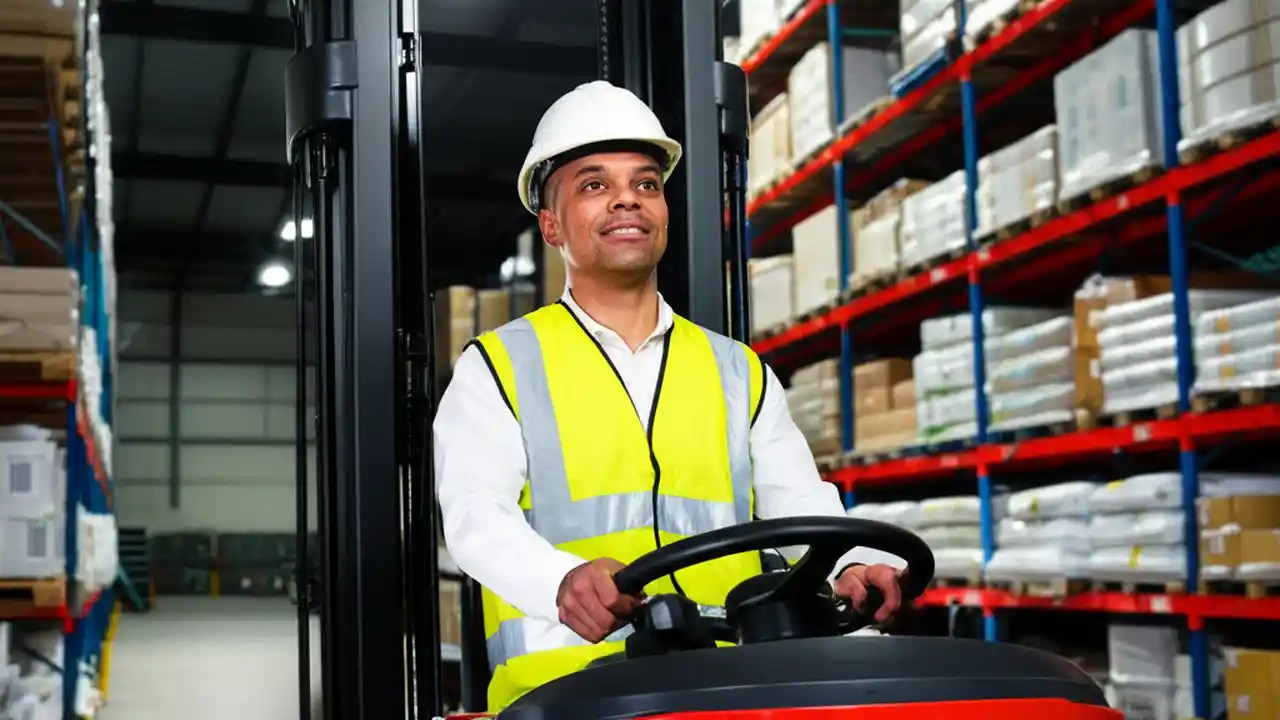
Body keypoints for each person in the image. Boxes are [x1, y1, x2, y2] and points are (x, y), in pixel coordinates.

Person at [434, 80, 909, 712]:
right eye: (594, 185)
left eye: (646, 184)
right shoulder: (497, 367)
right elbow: (475, 517)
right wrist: (560, 581)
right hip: (571, 693)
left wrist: (854, 562)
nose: (626, 200)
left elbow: (799, 501)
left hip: (727, 686)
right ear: (551, 225)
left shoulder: (737, 369)